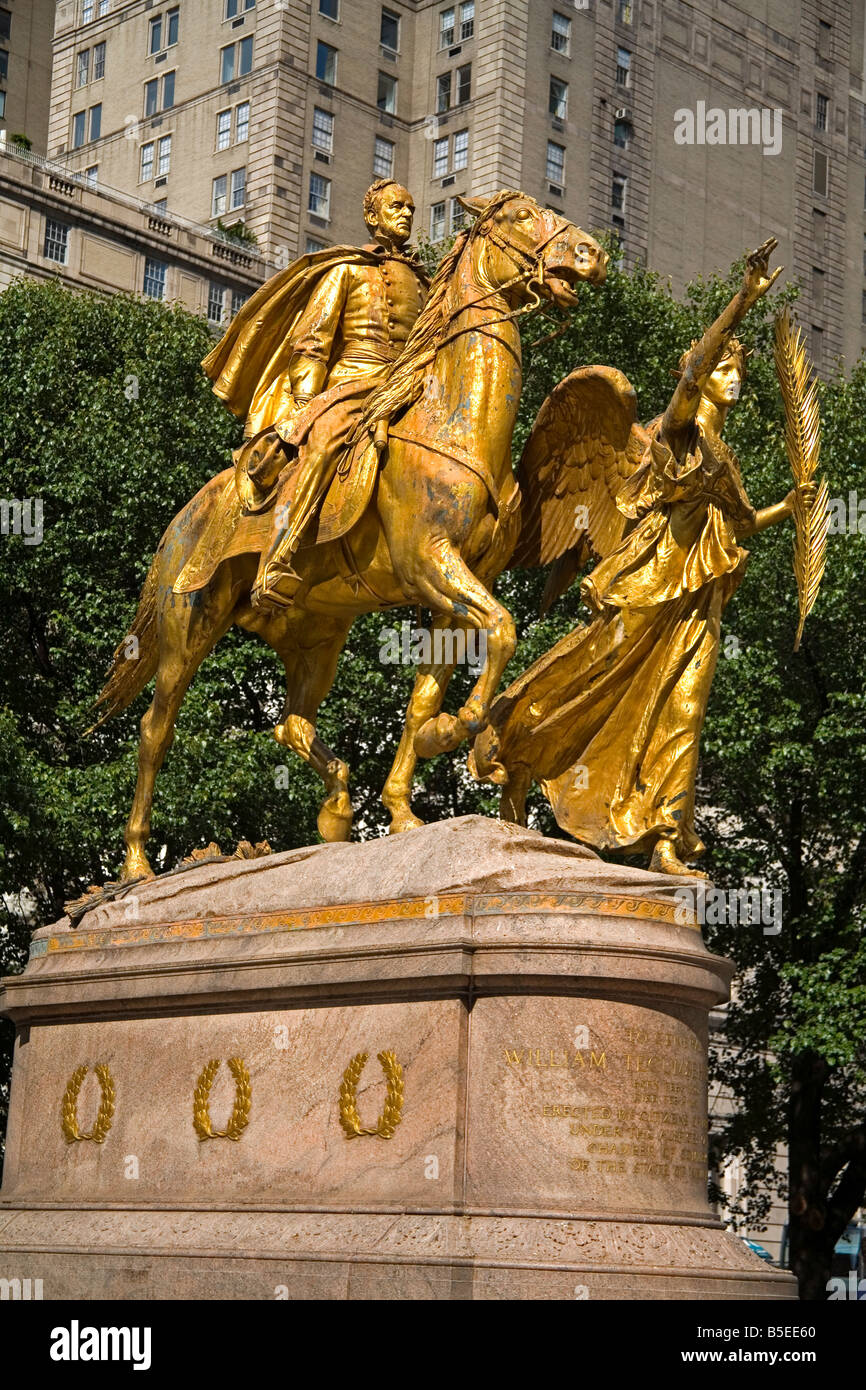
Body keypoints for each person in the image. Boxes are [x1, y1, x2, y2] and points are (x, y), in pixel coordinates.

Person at [471, 239, 810, 875]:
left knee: (685, 709)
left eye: (738, 371)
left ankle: (663, 838)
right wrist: (743, 301)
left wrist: (789, 507)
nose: (734, 378)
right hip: (646, 589)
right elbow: (690, 371)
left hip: (694, 603)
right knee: (587, 679)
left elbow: (741, 521)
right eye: (725, 369)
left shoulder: (726, 460)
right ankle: (514, 744)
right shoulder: (676, 431)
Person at [181, 180, 429, 607]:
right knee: (326, 442)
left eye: (410, 207)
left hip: (410, 386)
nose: (406, 213)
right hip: (353, 386)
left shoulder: (426, 284)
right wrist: (305, 404)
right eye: (396, 206)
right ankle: (278, 558)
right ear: (372, 217)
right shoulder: (346, 270)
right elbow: (312, 341)